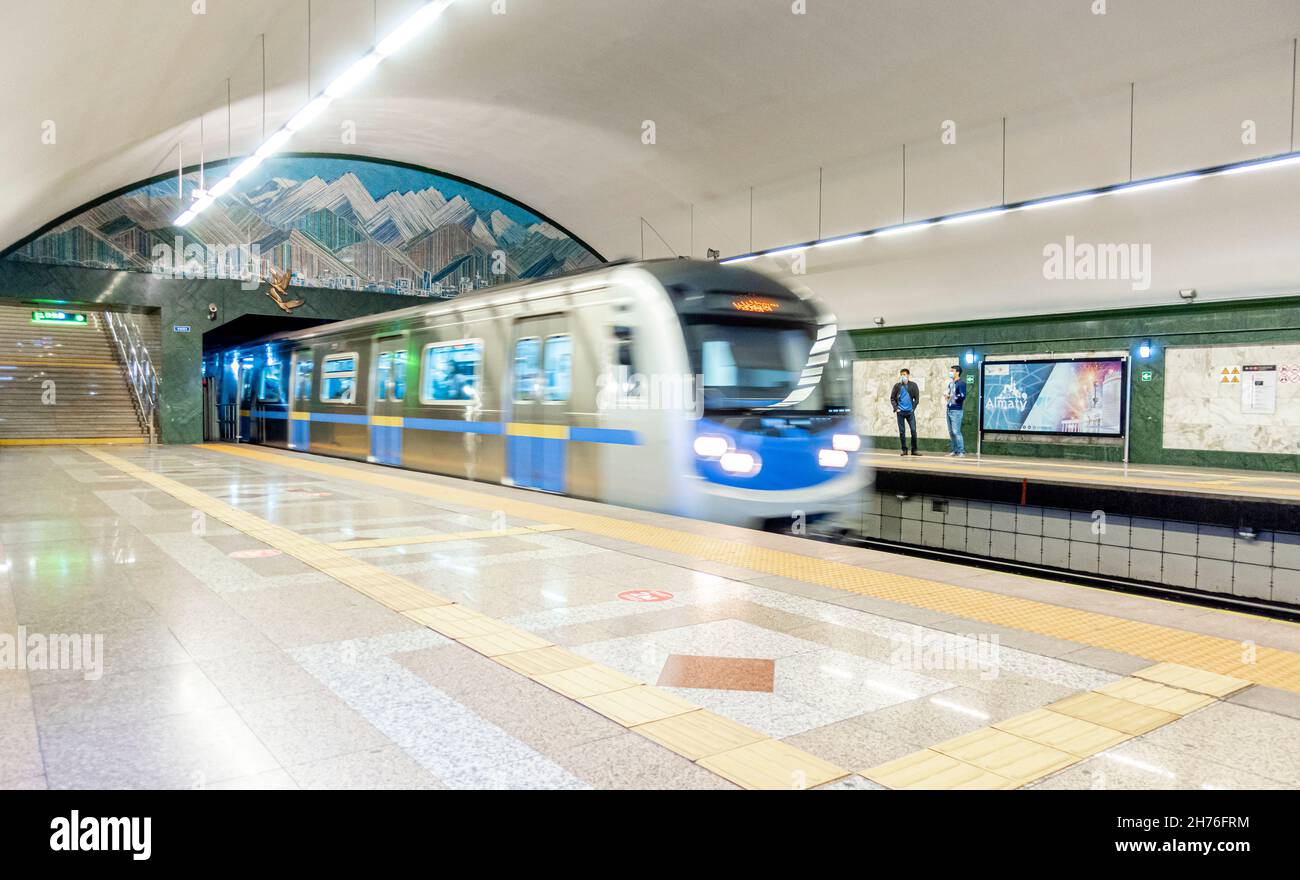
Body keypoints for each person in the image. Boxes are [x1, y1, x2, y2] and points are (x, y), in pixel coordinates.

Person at [890, 368, 921, 456]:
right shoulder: (897, 386)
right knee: (902, 432)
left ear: (908, 375)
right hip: (900, 412)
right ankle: (904, 450)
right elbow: (892, 398)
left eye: (904, 374)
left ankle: (914, 450)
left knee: (913, 430)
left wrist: (913, 408)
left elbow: (917, 399)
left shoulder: (913, 385)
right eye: (901, 374)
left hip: (910, 412)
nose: (903, 376)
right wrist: (896, 408)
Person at [944, 364, 967, 457]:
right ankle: (955, 450)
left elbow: (962, 396)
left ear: (957, 372)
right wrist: (947, 396)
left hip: (956, 410)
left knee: (956, 431)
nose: (951, 372)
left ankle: (961, 451)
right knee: (951, 431)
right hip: (949, 409)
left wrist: (951, 396)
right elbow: (949, 394)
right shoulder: (951, 383)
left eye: (952, 371)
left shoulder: (961, 383)